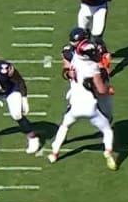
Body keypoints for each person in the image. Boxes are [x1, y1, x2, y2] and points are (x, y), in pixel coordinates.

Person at [47, 38, 117, 170]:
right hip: (90, 107)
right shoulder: (93, 67)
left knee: (64, 126)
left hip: (75, 106)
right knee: (107, 130)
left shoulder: (75, 60)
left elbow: (68, 67)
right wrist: (109, 90)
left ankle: (54, 153)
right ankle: (108, 151)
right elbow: (101, 90)